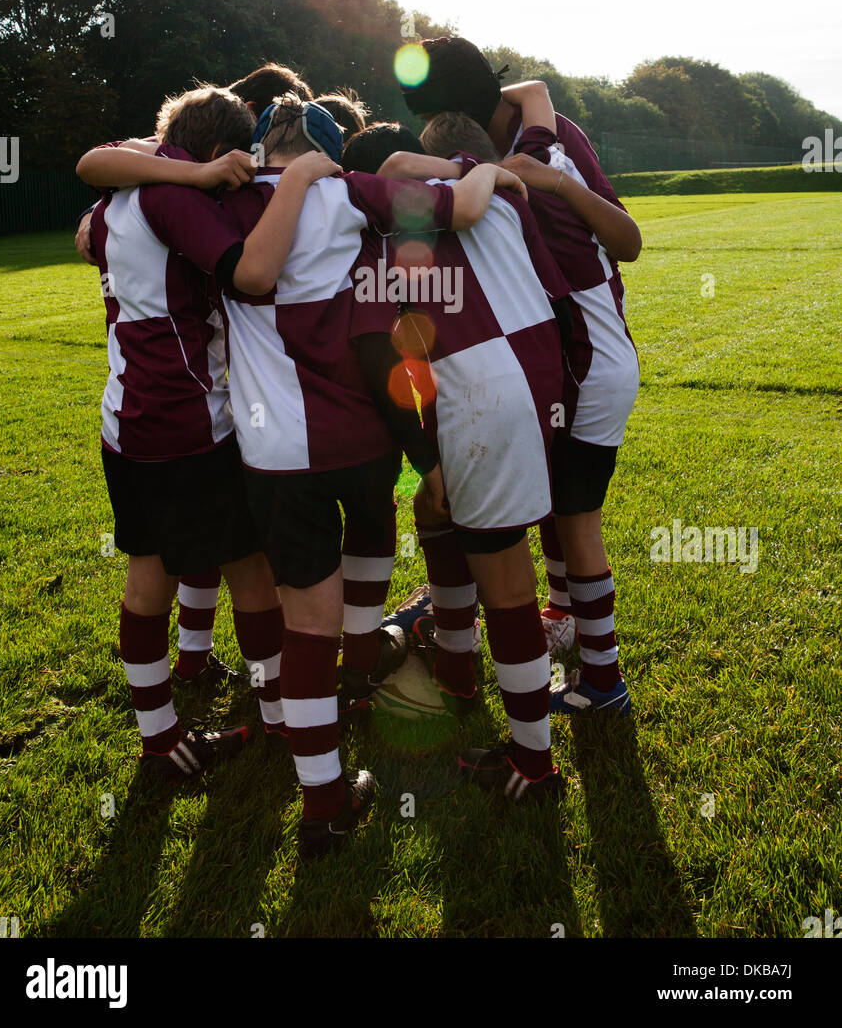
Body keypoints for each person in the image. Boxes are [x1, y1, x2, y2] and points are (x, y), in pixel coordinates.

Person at [213, 94, 527, 852]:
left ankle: (322, 798)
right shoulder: (351, 192)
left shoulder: (218, 207)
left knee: (306, 624)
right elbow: (457, 206)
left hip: (275, 454)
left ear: (259, 146)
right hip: (362, 442)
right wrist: (492, 173)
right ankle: (357, 687)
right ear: (329, 148)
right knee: (362, 583)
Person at [76, 85, 336, 781]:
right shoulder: (177, 200)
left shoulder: (114, 202)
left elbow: (95, 188)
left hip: (126, 416)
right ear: (222, 152)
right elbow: (248, 274)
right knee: (250, 570)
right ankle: (283, 716)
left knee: (149, 570)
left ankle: (159, 739)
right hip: (190, 421)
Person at [393, 37, 642, 713]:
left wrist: (527, 176)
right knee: (563, 509)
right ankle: (569, 628)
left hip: (585, 360)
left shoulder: (506, 167)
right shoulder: (551, 133)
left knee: (575, 519)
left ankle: (601, 679)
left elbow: (397, 165)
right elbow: (532, 91)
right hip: (599, 352)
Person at [344, 120, 572, 802]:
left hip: (484, 395)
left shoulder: (376, 228)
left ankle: (532, 764)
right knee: (441, 516)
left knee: (505, 582)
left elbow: (377, 351)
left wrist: (426, 457)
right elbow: (555, 292)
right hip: (544, 377)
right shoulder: (493, 190)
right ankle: (458, 669)